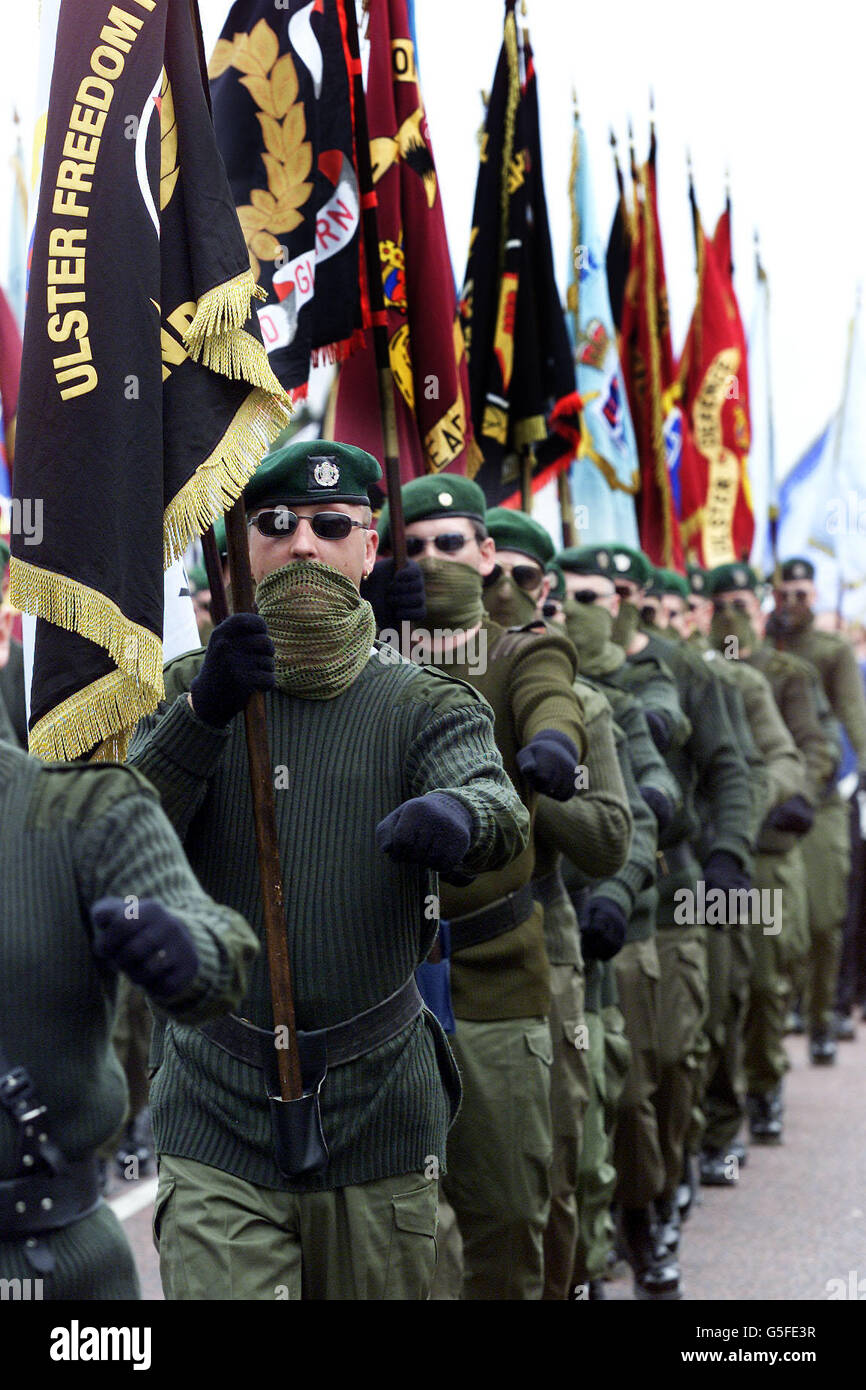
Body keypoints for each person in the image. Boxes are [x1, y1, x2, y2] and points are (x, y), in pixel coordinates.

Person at [129, 440, 530, 1301]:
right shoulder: (185, 691)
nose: (301, 543)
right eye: (272, 524)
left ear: (369, 546)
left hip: (378, 1107)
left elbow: (498, 805)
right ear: (238, 546)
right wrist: (203, 717)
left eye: (329, 523)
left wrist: (457, 816)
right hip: (215, 1103)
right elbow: (121, 843)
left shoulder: (420, 700)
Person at [377, 476, 585, 1300]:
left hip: (493, 972)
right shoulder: (369, 658)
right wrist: (383, 634)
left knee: (505, 1212)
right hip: (388, 984)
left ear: (488, 552)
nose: (431, 561)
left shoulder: (520, 650)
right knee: (407, 1229)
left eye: (450, 543)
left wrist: (556, 750)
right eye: (412, 546)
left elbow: (550, 700)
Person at [0, 740, 258, 1299]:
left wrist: (183, 952)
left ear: (2, 646)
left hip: (59, 1267)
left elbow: (218, 946)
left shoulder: (81, 808)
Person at [767, 557, 866, 1063]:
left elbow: (852, 712)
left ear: (815, 595)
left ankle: (824, 1014)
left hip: (825, 798)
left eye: (802, 595)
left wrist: (861, 767)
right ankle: (786, 1011)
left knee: (826, 917)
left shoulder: (831, 652)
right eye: (785, 593)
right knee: (782, 922)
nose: (792, 604)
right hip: (771, 804)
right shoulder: (755, 648)